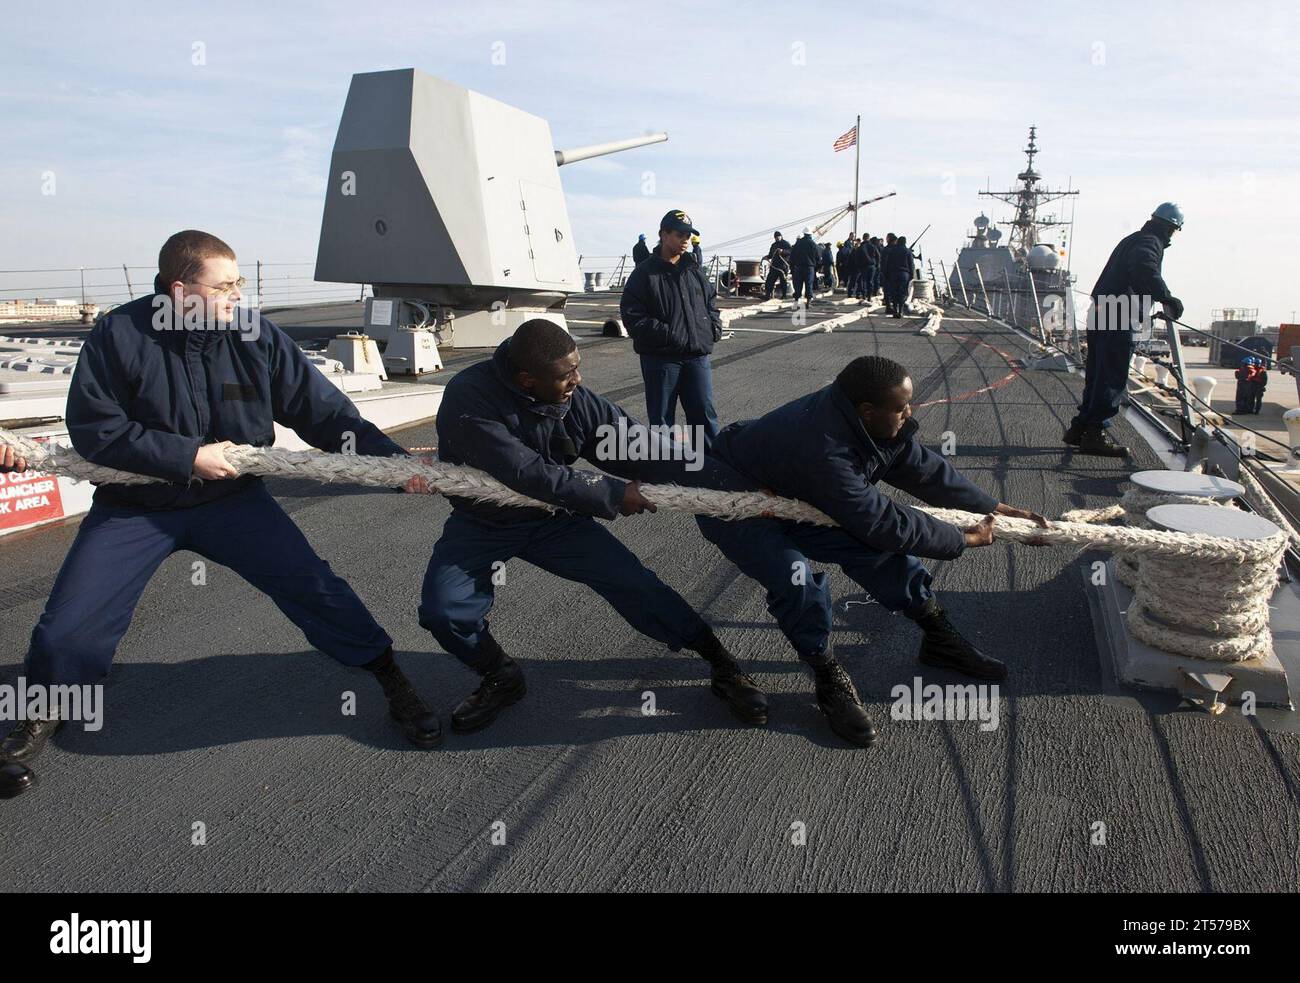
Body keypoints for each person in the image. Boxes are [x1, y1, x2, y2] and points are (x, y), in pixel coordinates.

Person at [0, 230, 441, 798]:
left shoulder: (254, 334)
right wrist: (185, 456)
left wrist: (392, 464)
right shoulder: (118, 335)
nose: (239, 295)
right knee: (68, 626)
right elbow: (95, 431)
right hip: (137, 506)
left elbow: (324, 413)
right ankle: (36, 718)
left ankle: (389, 676)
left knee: (316, 587)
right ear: (181, 291)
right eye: (225, 285)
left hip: (232, 501)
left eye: (240, 282)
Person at [413, 319, 766, 733]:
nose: (578, 379)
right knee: (443, 611)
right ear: (528, 380)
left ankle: (721, 664)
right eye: (567, 375)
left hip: (552, 518)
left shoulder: (573, 400)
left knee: (635, 584)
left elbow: (640, 446)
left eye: (577, 368)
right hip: (484, 520)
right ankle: (501, 676)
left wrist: (733, 485)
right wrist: (614, 494)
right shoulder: (469, 398)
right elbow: (527, 473)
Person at [694, 355, 1048, 747]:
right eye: (901, 408)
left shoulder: (865, 419)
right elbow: (883, 522)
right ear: (867, 410)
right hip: (732, 499)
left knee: (877, 556)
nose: (909, 412)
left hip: (793, 489)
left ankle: (939, 638)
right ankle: (827, 675)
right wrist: (960, 538)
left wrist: (989, 506)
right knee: (796, 580)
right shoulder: (825, 451)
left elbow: (919, 468)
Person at [1064, 202, 1185, 457]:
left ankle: (1080, 428)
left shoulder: (1133, 238)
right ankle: (1094, 434)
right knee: (1112, 377)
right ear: (1171, 228)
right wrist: (1167, 297)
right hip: (1119, 313)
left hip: (1101, 310)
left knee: (1097, 375)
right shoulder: (1150, 242)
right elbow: (1143, 268)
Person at [619, 208, 723, 446]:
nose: (685, 240)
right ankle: (667, 472)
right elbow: (633, 316)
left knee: (704, 417)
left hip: (697, 356)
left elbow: (710, 302)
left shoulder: (694, 270)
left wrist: (712, 328)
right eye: (680, 234)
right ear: (663, 235)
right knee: (662, 422)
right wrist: (670, 335)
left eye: (688, 235)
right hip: (662, 359)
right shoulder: (644, 273)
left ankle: (710, 469)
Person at [881, 234, 915, 317]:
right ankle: (900, 311)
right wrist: (912, 276)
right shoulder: (908, 251)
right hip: (904, 274)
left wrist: (886, 274)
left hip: (893, 274)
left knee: (894, 293)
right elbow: (911, 265)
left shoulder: (892, 251)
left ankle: (895, 310)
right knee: (902, 293)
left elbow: (888, 263)